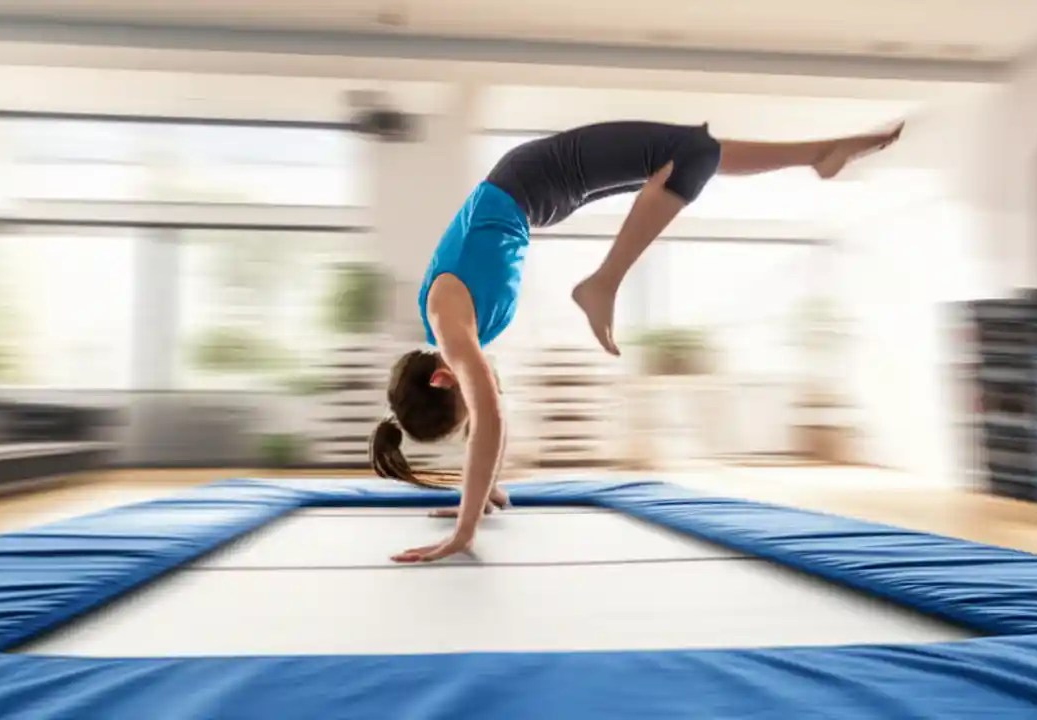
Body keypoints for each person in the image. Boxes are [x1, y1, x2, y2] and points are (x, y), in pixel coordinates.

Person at [370, 119, 904, 563]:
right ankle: (819, 155)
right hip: (542, 196)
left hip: (534, 175)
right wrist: (480, 492)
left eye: (459, 402)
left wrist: (464, 530)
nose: (474, 392)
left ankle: (603, 283)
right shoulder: (457, 334)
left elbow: (490, 413)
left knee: (691, 153)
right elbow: (494, 406)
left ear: (443, 378)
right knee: (690, 156)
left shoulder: (447, 320)